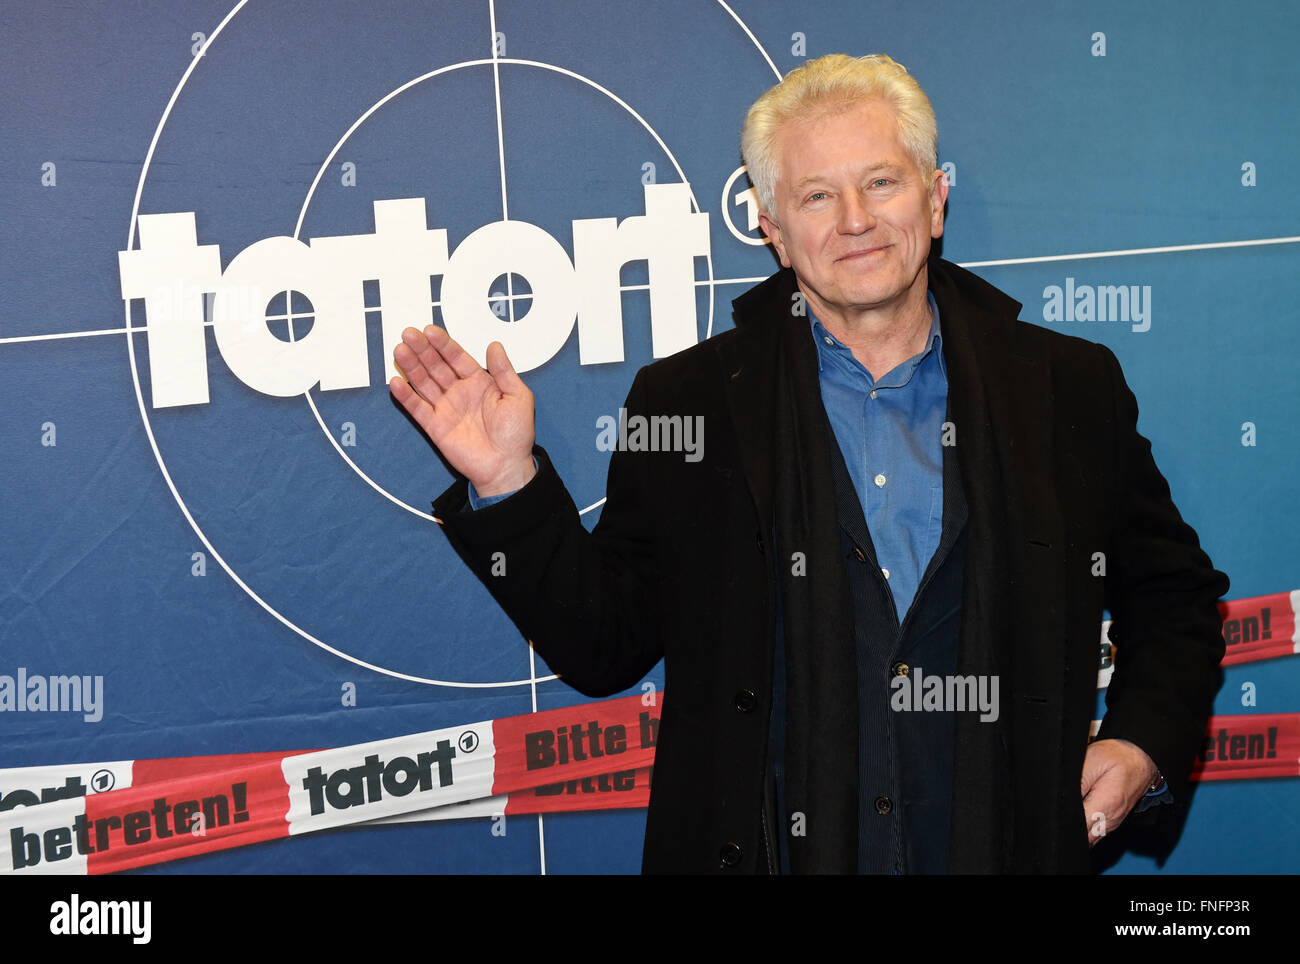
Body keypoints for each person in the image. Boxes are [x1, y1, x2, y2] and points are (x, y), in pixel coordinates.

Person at [389, 53, 1228, 874]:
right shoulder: (687, 400)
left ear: (935, 201)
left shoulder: (1067, 389)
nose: (855, 218)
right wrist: (506, 483)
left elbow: (1177, 595)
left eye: (883, 182)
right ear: (774, 230)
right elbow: (605, 642)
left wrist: (1142, 742)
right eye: (818, 196)